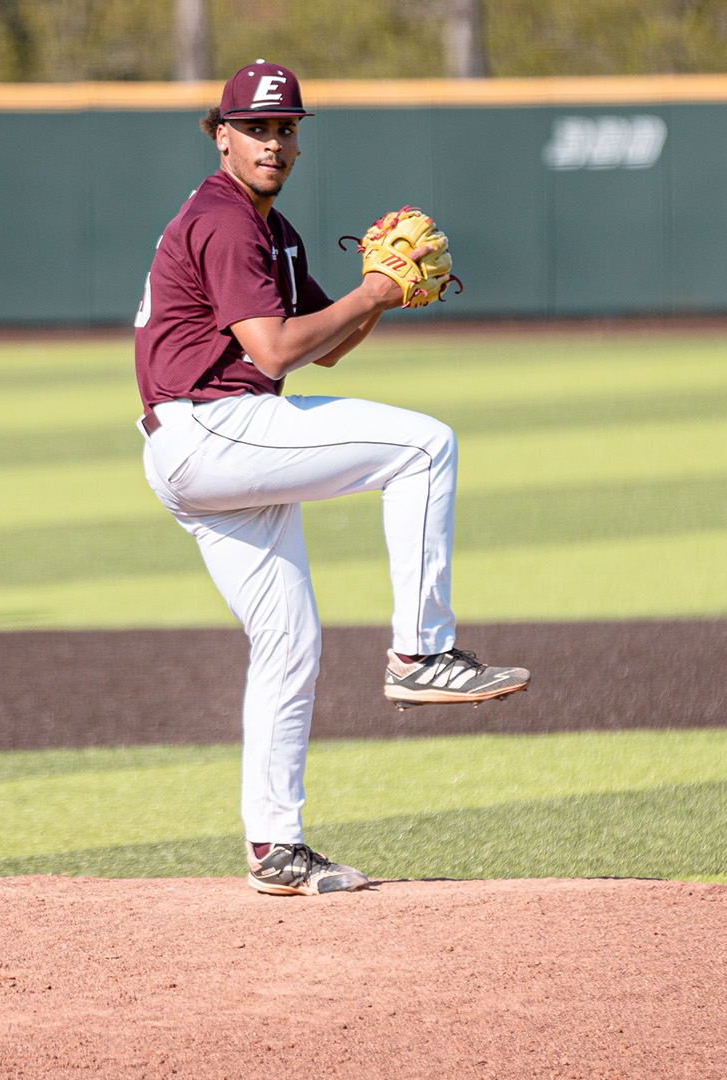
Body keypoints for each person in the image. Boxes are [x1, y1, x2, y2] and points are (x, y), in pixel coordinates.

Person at [133, 61, 530, 897]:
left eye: (285, 128)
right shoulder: (224, 219)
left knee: (289, 642)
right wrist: (379, 285)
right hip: (215, 426)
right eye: (256, 127)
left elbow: (329, 341)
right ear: (221, 134)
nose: (273, 141)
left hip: (203, 447)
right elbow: (275, 353)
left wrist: (376, 299)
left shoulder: (275, 233)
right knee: (425, 446)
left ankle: (274, 847)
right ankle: (422, 652)